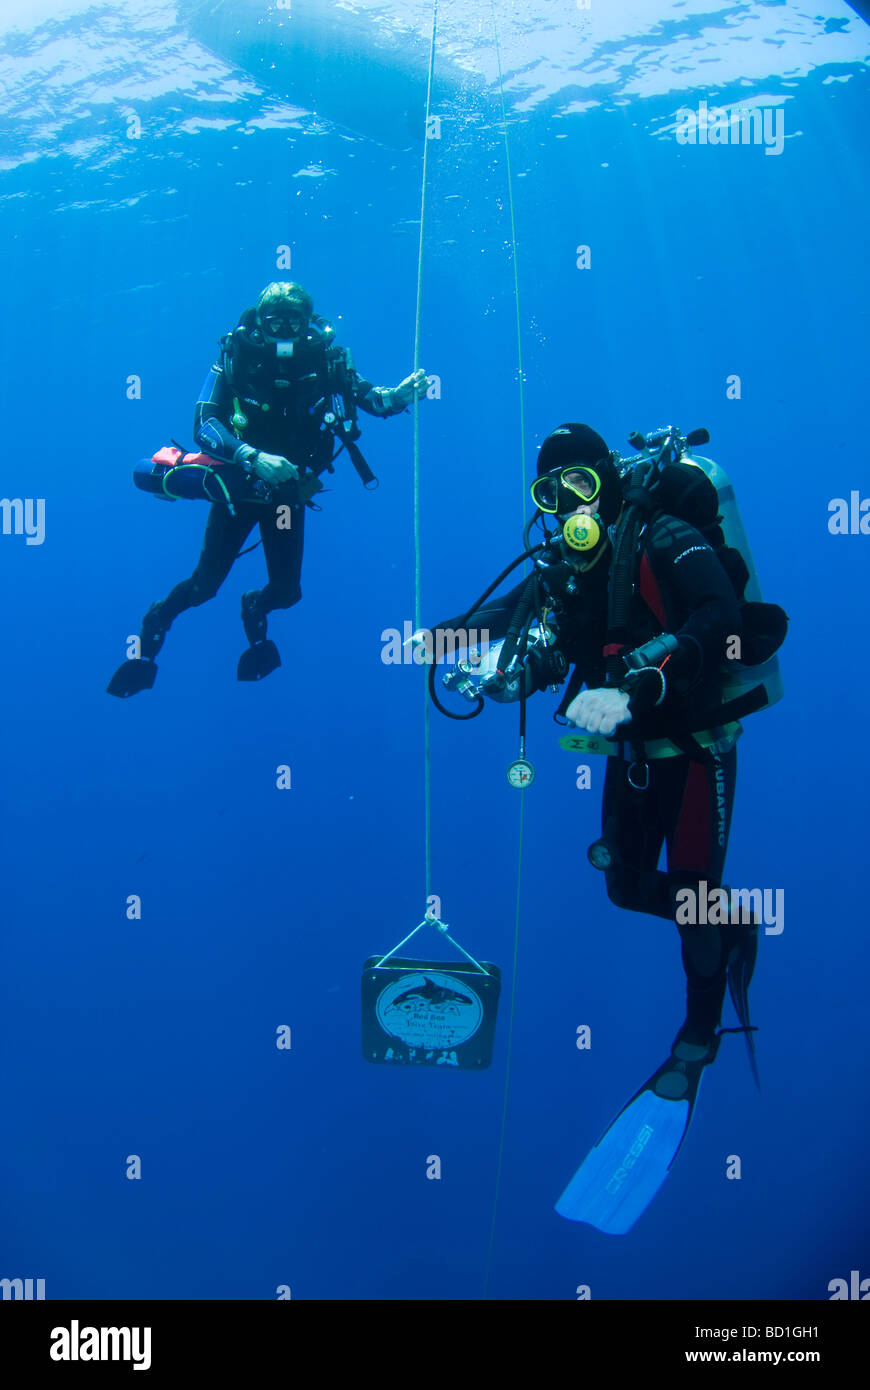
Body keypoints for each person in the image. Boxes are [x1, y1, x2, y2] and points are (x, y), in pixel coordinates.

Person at [427, 421, 786, 1230]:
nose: (567, 511)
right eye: (549, 497)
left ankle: (698, 1035)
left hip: (695, 746)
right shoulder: (560, 572)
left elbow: (725, 619)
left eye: (580, 489)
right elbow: (500, 617)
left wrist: (654, 680)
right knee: (625, 886)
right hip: (632, 754)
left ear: (609, 483)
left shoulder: (667, 534)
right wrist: (435, 642)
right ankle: (730, 926)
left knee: (691, 895)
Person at [108, 281, 428, 695]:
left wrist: (398, 397)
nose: (282, 330)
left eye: (292, 321)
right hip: (239, 489)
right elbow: (204, 424)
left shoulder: (326, 361)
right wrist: (251, 456)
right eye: (272, 320)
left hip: (286, 497)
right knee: (204, 586)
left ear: (307, 323)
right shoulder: (236, 358)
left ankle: (254, 606)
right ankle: (158, 620)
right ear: (258, 322)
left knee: (287, 592)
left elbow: (373, 400)